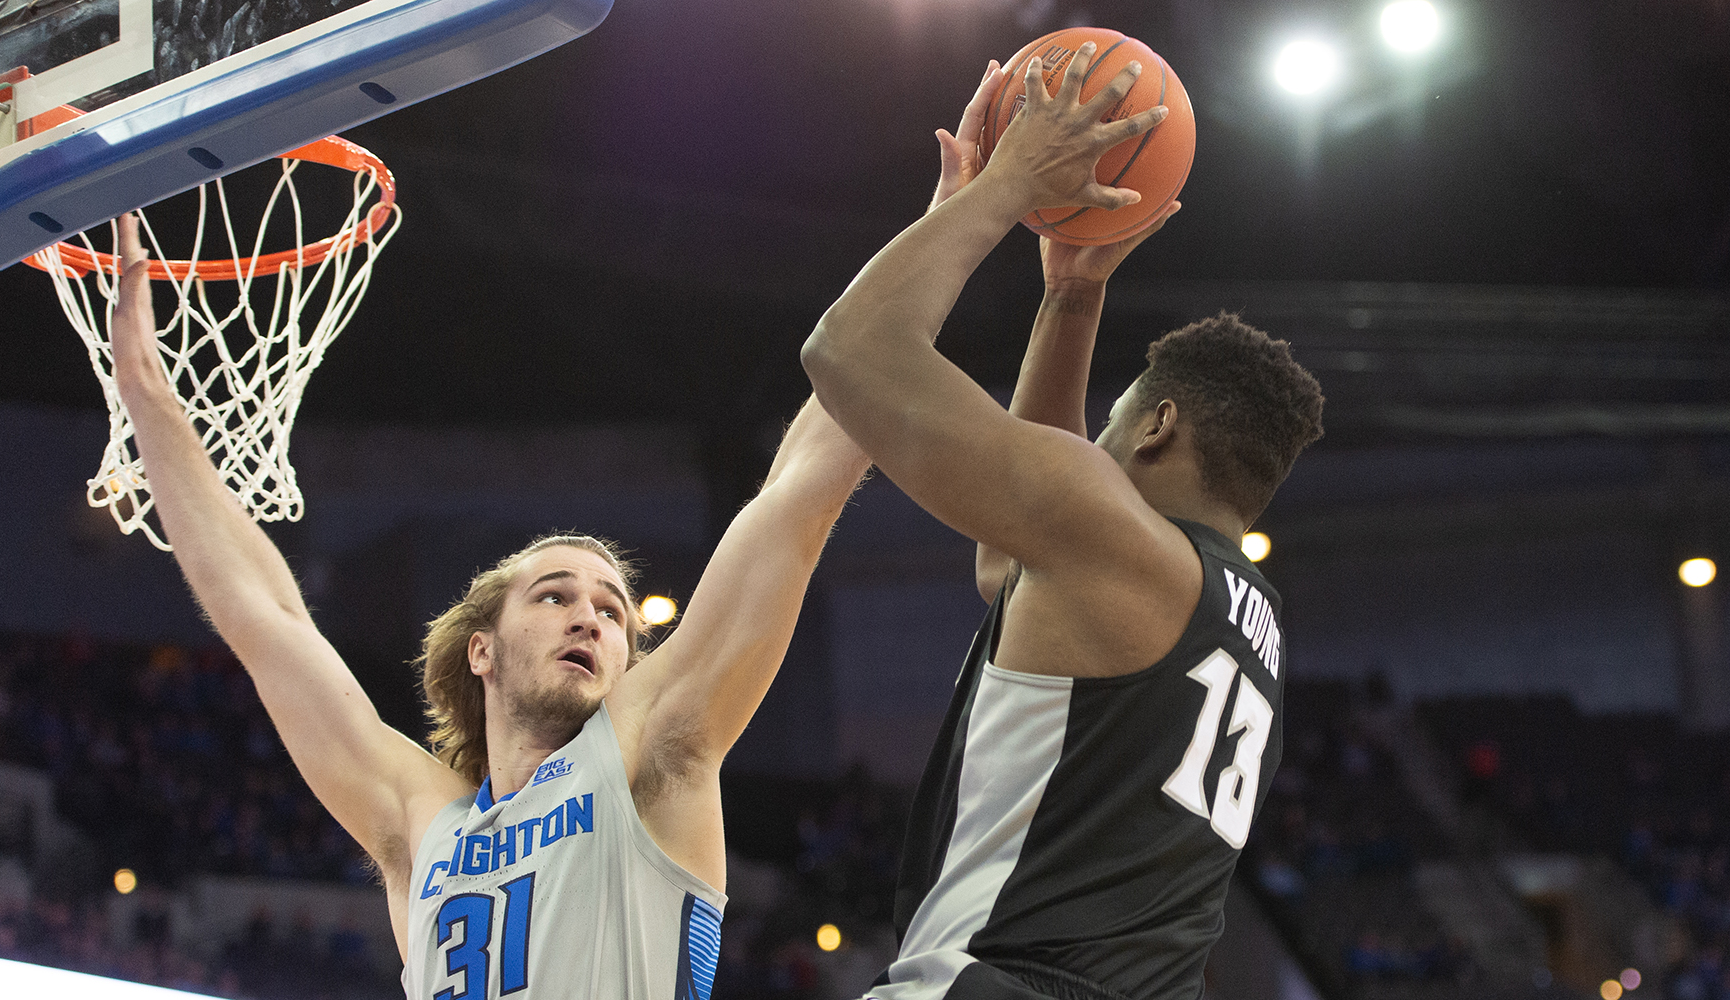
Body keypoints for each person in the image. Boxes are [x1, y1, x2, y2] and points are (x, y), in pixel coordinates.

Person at [106, 216, 871, 999]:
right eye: (555, 595)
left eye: (613, 612)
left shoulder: (650, 757)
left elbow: (792, 507)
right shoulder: (422, 823)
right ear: (482, 649)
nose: (590, 618)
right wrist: (145, 393)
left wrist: (932, 244)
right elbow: (267, 621)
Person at [802, 47, 1325, 1000]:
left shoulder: (1118, 539)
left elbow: (848, 350)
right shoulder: (1245, 620)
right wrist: (1071, 295)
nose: (1092, 438)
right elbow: (1008, 564)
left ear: (1157, 426)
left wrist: (1004, 187)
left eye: (1113, 416)